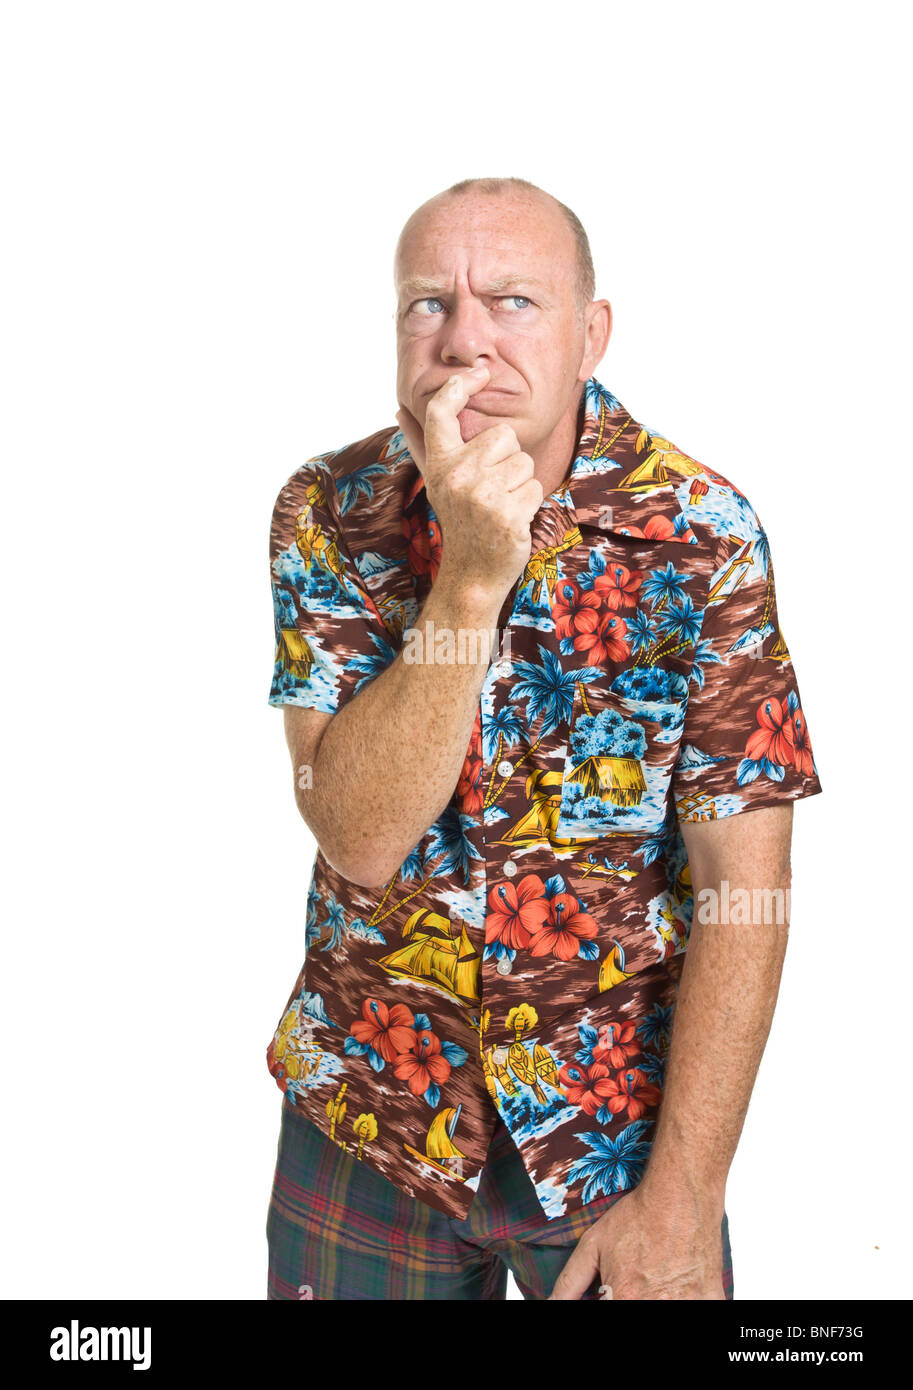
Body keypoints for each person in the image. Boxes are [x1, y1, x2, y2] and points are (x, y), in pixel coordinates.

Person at [263, 176, 822, 1301]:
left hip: (618, 1141)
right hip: (374, 1112)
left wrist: (684, 1196)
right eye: (429, 304)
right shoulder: (326, 509)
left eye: (512, 300)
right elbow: (359, 837)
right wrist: (470, 580)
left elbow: (743, 893)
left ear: (590, 335)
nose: (464, 341)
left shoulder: (702, 535)